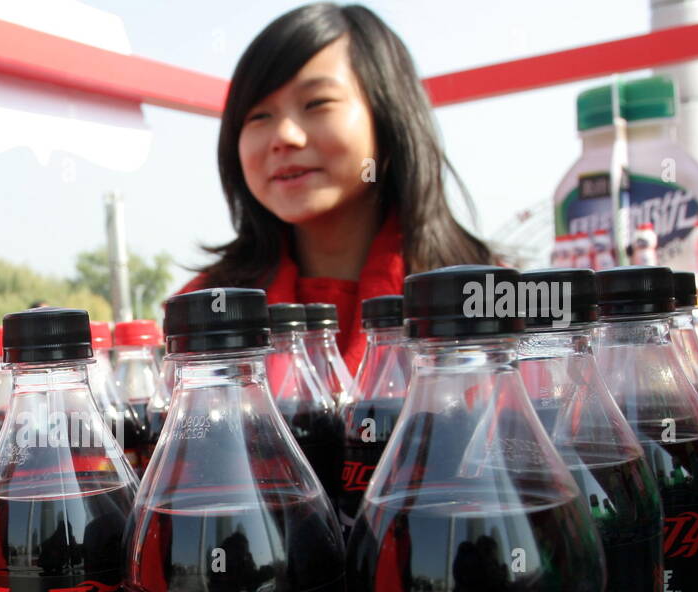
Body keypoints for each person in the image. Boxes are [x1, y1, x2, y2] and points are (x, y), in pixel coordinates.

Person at [175, 3, 490, 372]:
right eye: (259, 115)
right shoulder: (203, 311)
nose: (284, 137)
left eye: (317, 103)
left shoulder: (487, 300)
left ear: (389, 123)